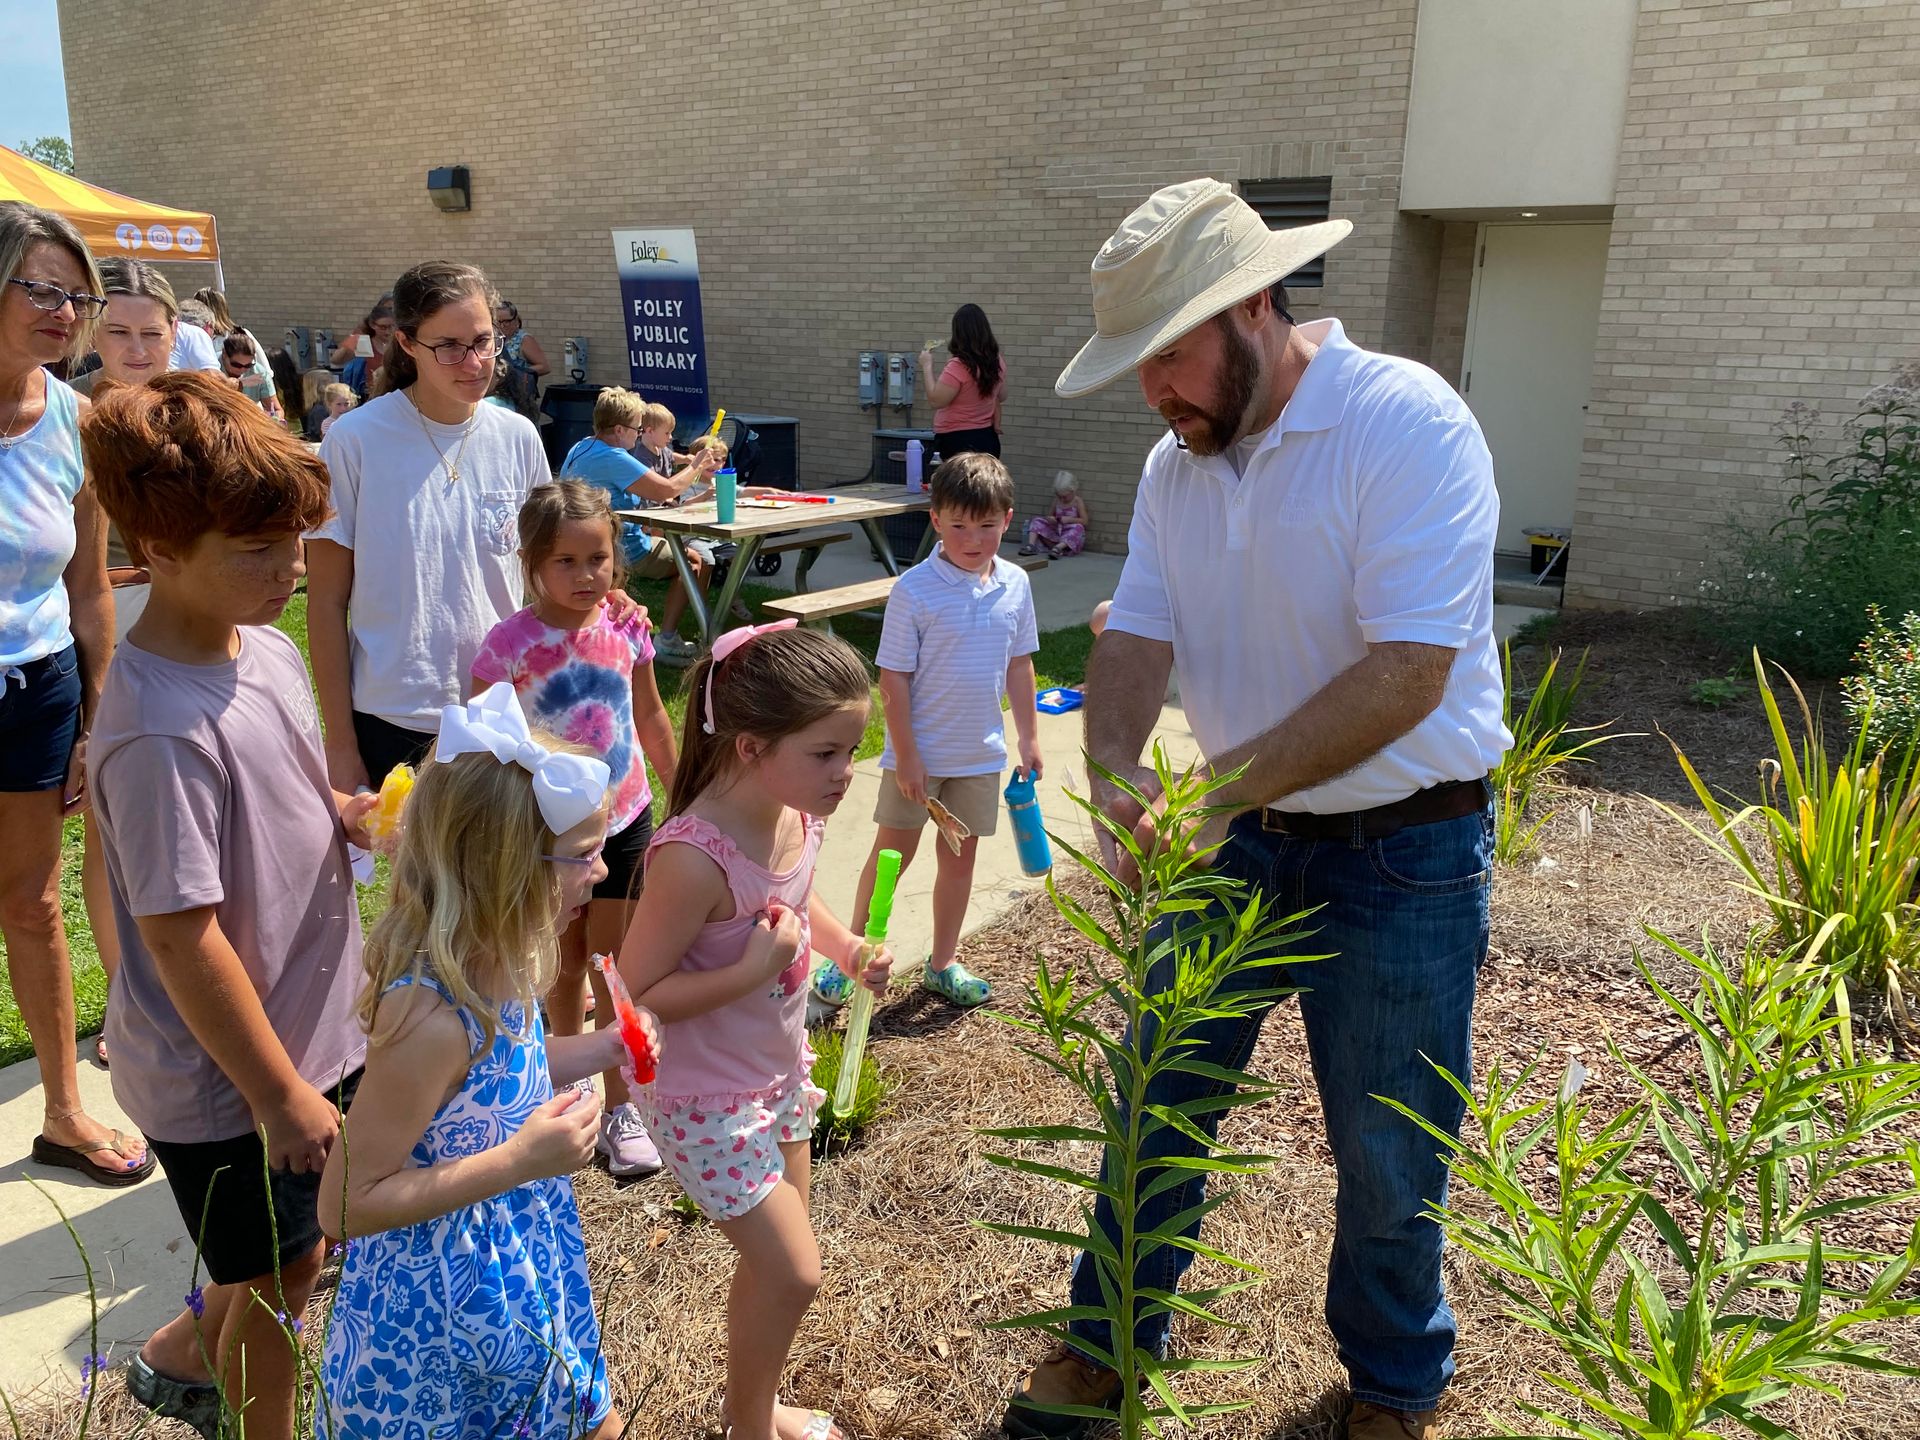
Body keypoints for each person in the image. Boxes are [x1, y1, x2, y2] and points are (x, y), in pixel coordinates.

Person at [1003, 179, 1508, 1440]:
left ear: (1254, 307)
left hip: (1407, 851)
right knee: (1156, 1101)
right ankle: (1111, 1342)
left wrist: (1206, 792)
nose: (1154, 393)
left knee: (1391, 1151)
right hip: (1236, 844)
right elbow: (1136, 634)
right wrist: (1115, 774)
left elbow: (1410, 672)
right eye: (1138, 367)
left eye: (1167, 353)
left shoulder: (1406, 424)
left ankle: (1394, 1383)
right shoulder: (1184, 468)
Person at [81, 371, 369, 1440]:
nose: (290, 570)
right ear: (156, 553)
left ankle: (173, 1353)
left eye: (295, 541)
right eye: (255, 551)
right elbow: (181, 934)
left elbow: (286, 797)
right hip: (232, 1080)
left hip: (309, 1028)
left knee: (296, 1253)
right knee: (279, 1276)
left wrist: (346, 813)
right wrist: (281, 1094)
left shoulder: (271, 650)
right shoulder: (158, 729)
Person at [317, 689, 639, 1440]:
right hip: (435, 1318)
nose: (599, 873)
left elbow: (505, 1071)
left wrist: (602, 1049)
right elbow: (342, 1203)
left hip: (514, 1267)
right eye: (583, 856)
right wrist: (519, 1161)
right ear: (508, 872)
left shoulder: (503, 964)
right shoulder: (428, 1019)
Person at [616, 622, 891, 1440]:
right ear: (749, 745)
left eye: (853, 749)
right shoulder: (693, 858)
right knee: (796, 1270)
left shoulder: (793, 809)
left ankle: (754, 1414)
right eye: (827, 753)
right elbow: (635, 993)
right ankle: (748, 1429)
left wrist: (846, 950)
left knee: (777, 1268)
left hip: (775, 1072)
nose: (846, 774)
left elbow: (800, 900)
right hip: (702, 1097)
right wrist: (751, 969)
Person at [0, 202, 148, 1186]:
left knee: (35, 902)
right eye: (43, 288)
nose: (67, 312)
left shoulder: (72, 419)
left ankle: (62, 1111)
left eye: (78, 295)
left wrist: (99, 714)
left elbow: (90, 589)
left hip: (36, 687)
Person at [472, 480, 679, 1178]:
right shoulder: (506, 647)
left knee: (614, 968)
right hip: (548, 838)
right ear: (530, 562)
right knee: (558, 968)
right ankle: (567, 1087)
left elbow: (649, 717)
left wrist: (683, 795)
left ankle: (621, 1105)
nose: (588, 575)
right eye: (566, 561)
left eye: (599, 558)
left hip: (624, 819)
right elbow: (484, 746)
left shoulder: (627, 628)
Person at [307, 261, 557, 792]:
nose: (474, 362)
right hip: (394, 717)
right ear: (406, 343)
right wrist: (341, 743)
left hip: (504, 712)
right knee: (418, 876)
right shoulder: (355, 441)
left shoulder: (518, 437)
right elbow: (326, 602)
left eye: (485, 341)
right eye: (450, 346)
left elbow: (542, 572)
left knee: (502, 874)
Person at [815, 453, 1038, 1013]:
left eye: (986, 525)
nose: (973, 537)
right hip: (918, 759)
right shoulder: (914, 590)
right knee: (891, 855)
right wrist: (907, 756)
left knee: (959, 862)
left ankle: (942, 963)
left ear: (1006, 520)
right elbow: (894, 678)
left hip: (980, 757)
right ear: (935, 519)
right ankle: (853, 956)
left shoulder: (1014, 585)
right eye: (959, 524)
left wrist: (1030, 737)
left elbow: (1020, 665)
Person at [70, 255, 185, 1063]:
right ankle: (126, 1003)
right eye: (119, 331)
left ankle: (193, 983)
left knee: (190, 819)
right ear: (92, 332)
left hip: (190, 624)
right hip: (113, 621)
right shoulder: (70, 419)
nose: (137, 347)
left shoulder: (195, 411)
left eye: (152, 331)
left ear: (176, 334)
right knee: (113, 830)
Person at [557, 390, 731, 658]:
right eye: (637, 430)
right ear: (618, 429)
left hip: (584, 543)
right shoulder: (614, 457)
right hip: (621, 548)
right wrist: (696, 466)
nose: (638, 435)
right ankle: (668, 639)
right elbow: (666, 489)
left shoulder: (581, 447)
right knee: (696, 561)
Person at [919, 303, 1005, 459]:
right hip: (986, 437)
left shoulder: (959, 366)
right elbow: (1003, 395)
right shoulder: (996, 361)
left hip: (957, 440)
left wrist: (927, 366)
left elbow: (936, 401)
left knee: (956, 483)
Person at [493, 298, 549, 419]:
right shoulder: (495, 339)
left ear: (516, 321)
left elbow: (544, 366)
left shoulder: (524, 340)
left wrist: (518, 371)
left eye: (506, 322)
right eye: (498, 322)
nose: (502, 326)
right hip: (499, 395)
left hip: (520, 396)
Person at [1020, 469, 1090, 558]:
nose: (1062, 500)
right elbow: (1049, 516)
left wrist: (1069, 519)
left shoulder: (1077, 501)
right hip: (1056, 532)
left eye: (1064, 497)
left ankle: (1058, 549)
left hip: (1068, 535)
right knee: (1036, 520)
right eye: (1059, 496)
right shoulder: (1057, 501)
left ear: (1073, 491)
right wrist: (1051, 519)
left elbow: (1085, 521)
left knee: (1079, 528)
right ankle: (1031, 546)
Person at [220, 332, 283, 419]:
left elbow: (276, 409)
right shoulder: (210, 368)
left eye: (248, 365)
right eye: (236, 365)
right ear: (224, 354)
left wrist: (276, 419)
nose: (242, 370)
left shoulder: (260, 373)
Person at [328, 291, 394, 368]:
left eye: (394, 310)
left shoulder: (403, 334)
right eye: (388, 309)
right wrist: (353, 340)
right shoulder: (364, 334)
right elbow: (336, 360)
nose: (391, 314)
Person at [169, 296, 220, 373]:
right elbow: (212, 376)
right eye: (214, 329)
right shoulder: (195, 333)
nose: (213, 336)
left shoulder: (166, 334)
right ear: (208, 326)